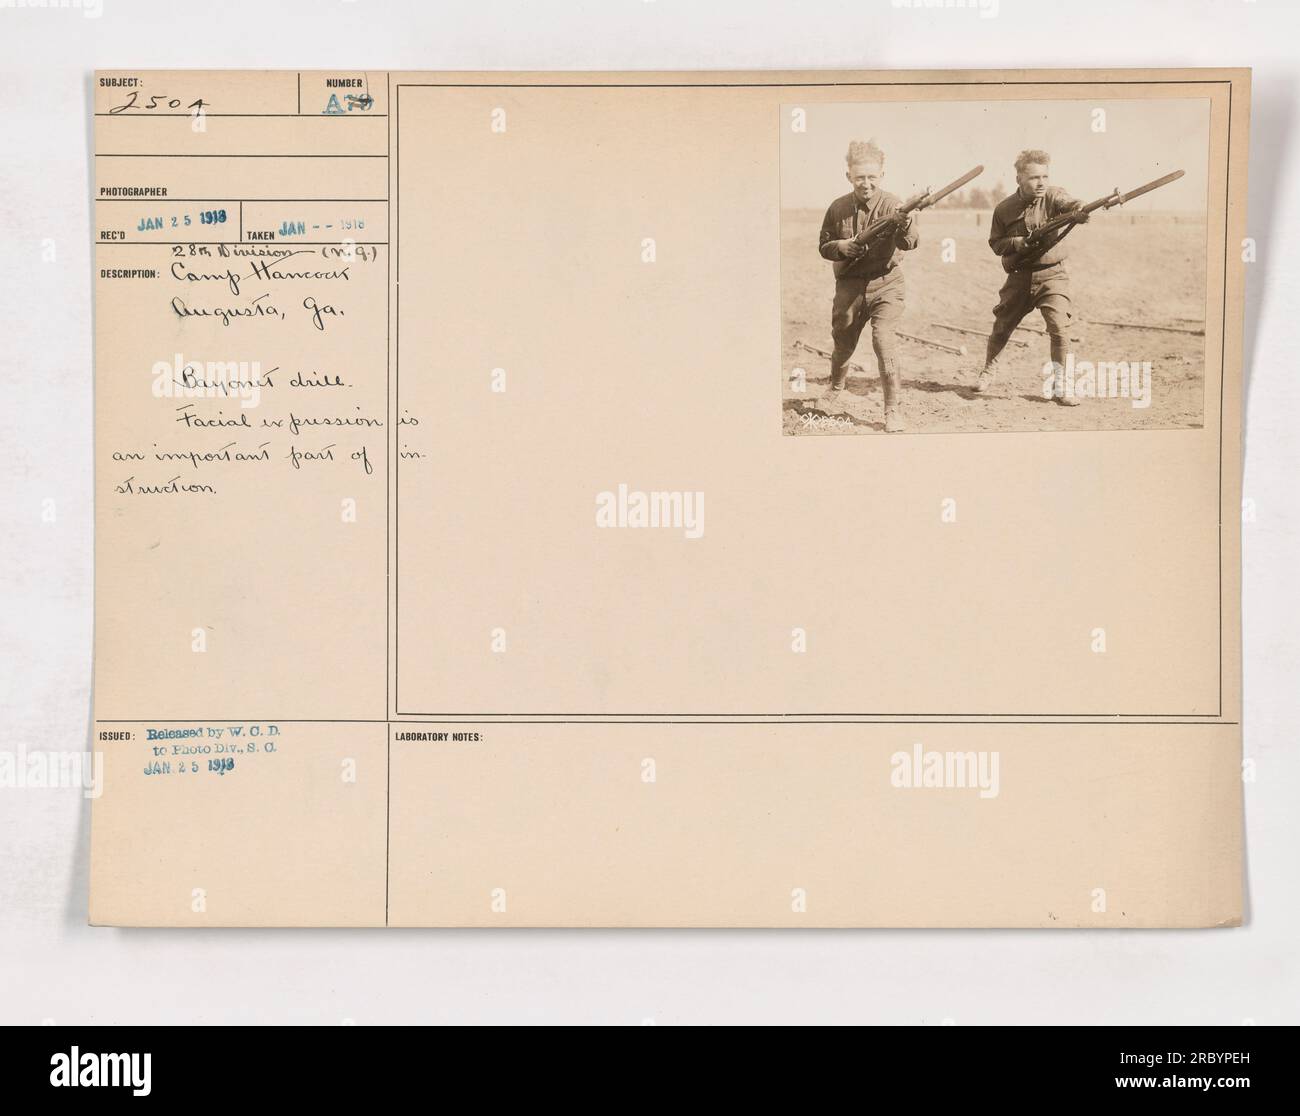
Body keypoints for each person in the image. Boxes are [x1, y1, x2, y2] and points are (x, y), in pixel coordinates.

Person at [817, 139, 919, 433]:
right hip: (849, 285)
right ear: (848, 176)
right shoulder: (837, 208)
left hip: (887, 283)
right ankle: (836, 387)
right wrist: (842, 246)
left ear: (882, 176)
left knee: (883, 340)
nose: (866, 184)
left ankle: (892, 410)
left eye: (872, 177)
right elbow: (823, 246)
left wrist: (906, 222)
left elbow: (909, 243)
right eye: (859, 177)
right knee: (843, 339)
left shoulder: (894, 204)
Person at [976, 149, 1088, 405]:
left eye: (1045, 176)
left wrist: (1078, 208)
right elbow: (996, 244)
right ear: (1019, 179)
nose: (1041, 183)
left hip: (1053, 275)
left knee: (1060, 328)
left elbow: (1069, 203)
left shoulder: (1053, 196)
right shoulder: (1004, 209)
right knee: (1002, 326)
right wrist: (1017, 243)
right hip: (1019, 276)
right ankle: (988, 369)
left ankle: (1062, 385)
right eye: (1034, 177)